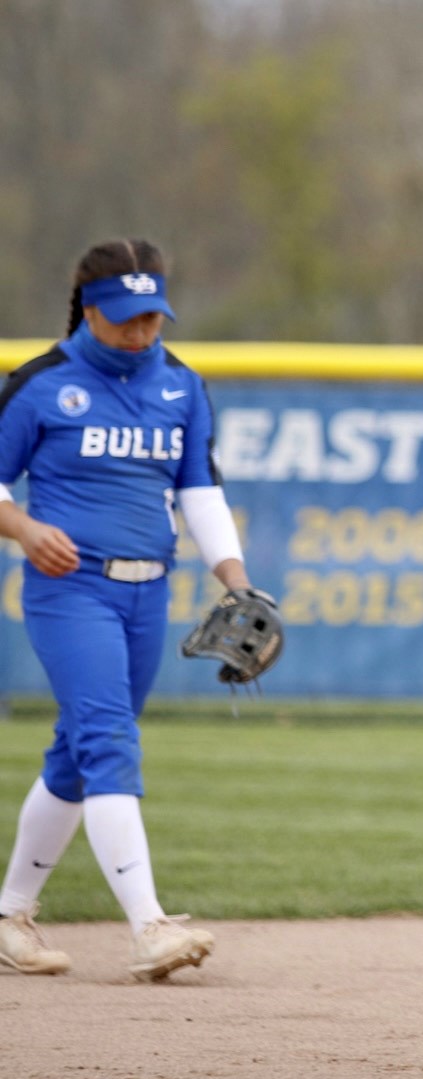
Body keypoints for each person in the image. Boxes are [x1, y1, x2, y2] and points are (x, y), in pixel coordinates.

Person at [0, 238, 262, 981]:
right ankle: (149, 927)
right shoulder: (42, 383)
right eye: (126, 318)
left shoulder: (180, 384)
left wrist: (235, 579)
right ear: (90, 311)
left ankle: (9, 915)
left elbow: (199, 490)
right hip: (70, 588)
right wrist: (23, 528)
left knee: (78, 755)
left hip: (149, 591)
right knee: (109, 741)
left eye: (153, 317)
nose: (142, 332)